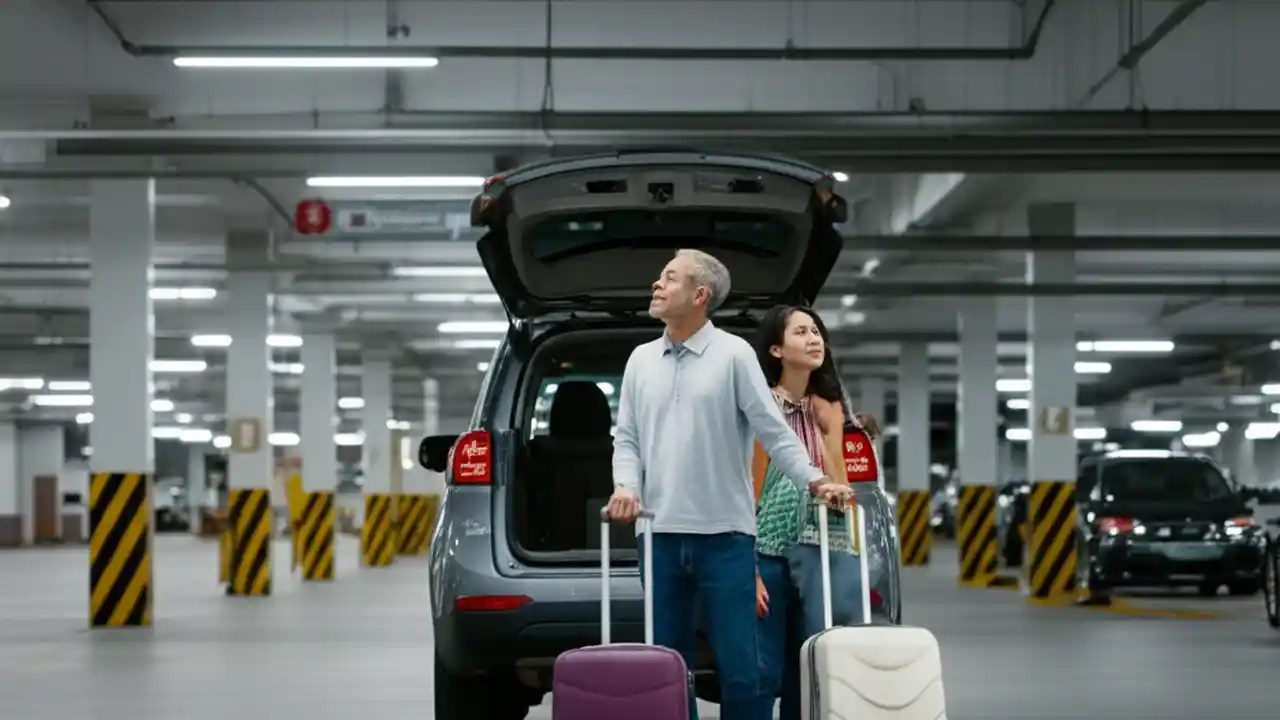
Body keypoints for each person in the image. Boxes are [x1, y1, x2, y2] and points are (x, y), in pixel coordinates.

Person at [608, 249, 853, 720]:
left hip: (726, 538)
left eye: (670, 278)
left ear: (700, 295)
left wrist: (815, 480)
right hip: (657, 537)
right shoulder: (640, 360)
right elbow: (627, 439)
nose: (657, 284)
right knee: (667, 666)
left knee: (744, 671)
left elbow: (774, 432)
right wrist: (626, 488)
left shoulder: (734, 355)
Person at [750, 304, 881, 720]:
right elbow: (749, 487)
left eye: (816, 332)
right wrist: (746, 564)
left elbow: (842, 488)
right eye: (801, 332)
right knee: (763, 669)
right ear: (775, 349)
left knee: (813, 664)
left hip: (822, 547)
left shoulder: (830, 408)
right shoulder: (758, 406)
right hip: (767, 550)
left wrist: (834, 429)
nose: (813, 340)